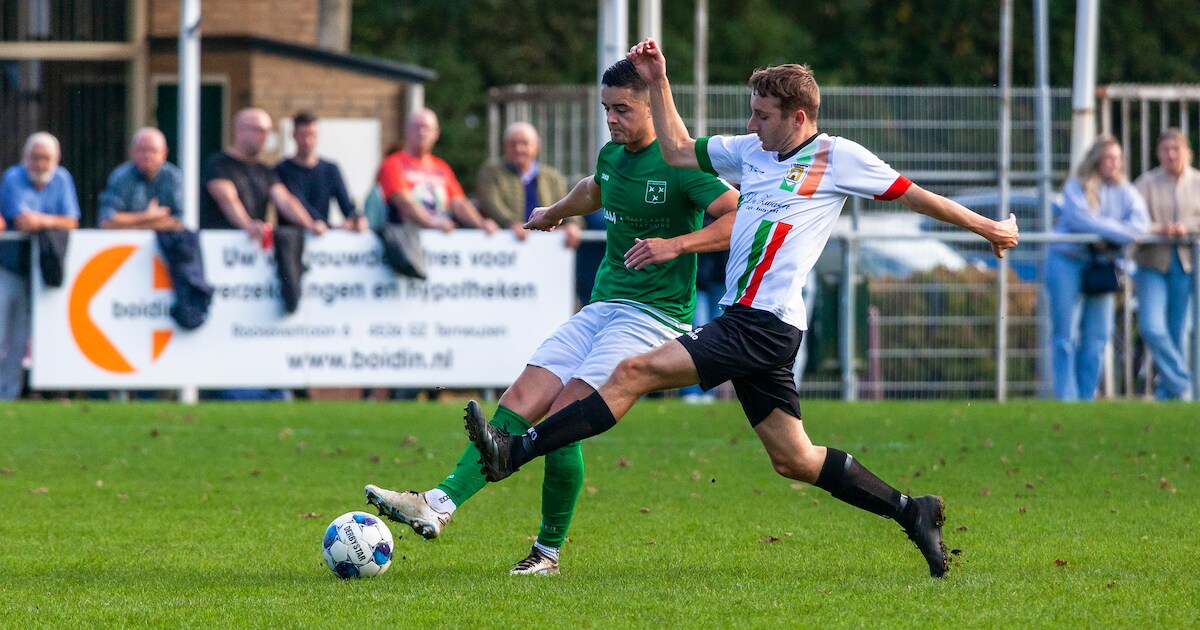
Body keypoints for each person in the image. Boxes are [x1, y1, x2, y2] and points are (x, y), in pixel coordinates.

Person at [464, 39, 1020, 579]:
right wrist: (658, 82)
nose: (751, 125)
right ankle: (911, 510)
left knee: (631, 371)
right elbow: (680, 149)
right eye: (750, 114)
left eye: (762, 115)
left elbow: (918, 196)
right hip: (754, 325)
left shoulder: (836, 157)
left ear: (798, 116)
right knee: (794, 459)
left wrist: (988, 227)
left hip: (762, 322)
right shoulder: (753, 151)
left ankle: (514, 451)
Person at [365, 58, 740, 576]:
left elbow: (738, 216)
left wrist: (676, 244)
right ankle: (437, 503)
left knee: (565, 419)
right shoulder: (613, 155)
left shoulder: (684, 166)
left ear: (650, 105)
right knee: (518, 402)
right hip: (602, 306)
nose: (612, 119)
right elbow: (594, 187)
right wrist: (554, 212)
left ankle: (547, 553)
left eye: (623, 109)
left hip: (653, 317)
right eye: (606, 108)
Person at [1046, 135, 1149, 401]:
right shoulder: (1076, 186)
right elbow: (1080, 220)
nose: (1114, 164)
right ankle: (1066, 399)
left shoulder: (1125, 191)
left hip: (1101, 266)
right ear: (1096, 159)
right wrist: (1118, 233)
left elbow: (1141, 224)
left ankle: (1086, 398)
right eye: (1108, 158)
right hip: (1066, 261)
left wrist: (1105, 231)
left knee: (1097, 336)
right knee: (1064, 336)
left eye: (1117, 158)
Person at [0, 132, 81, 399]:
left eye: (45, 158)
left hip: (43, 270)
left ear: (56, 160)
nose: (40, 164)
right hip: (11, 265)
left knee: (34, 333)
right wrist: (53, 220)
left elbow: (71, 220)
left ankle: (25, 393)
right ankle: (6, 391)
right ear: (25, 159)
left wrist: (43, 221)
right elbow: (22, 220)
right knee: (5, 331)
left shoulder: (62, 179)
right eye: (34, 157)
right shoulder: (13, 177)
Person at [1133, 128, 1200, 400]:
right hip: (1152, 263)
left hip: (1184, 264)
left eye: (1176, 148)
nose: (1171, 154)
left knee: (1177, 332)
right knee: (1151, 326)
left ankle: (1167, 392)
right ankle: (1182, 383)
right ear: (1158, 153)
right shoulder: (1146, 182)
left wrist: (1187, 227)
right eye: (1165, 149)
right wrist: (1158, 228)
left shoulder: (1197, 181)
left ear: (1186, 151)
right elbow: (1133, 220)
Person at [200, 107, 327, 240]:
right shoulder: (218, 165)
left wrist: (310, 225)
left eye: (267, 132)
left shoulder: (265, 171)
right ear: (239, 130)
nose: (264, 137)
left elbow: (285, 201)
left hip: (254, 247)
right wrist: (248, 226)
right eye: (259, 130)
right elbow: (228, 200)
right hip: (220, 245)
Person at [377, 108, 498, 234]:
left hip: (439, 236)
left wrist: (481, 224)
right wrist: (432, 223)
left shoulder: (441, 167)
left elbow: (458, 202)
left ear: (436, 133)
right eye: (417, 127)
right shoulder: (392, 164)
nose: (421, 132)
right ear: (407, 130)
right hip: (405, 237)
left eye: (427, 128)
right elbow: (405, 203)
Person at [476, 121, 580, 246]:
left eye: (524, 143)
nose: (518, 149)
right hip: (506, 243)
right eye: (513, 144)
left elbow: (569, 202)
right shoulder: (491, 172)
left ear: (536, 146)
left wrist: (573, 224)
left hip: (549, 245)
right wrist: (512, 223)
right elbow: (491, 202)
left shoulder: (552, 176)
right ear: (505, 146)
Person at [276, 111, 367, 232]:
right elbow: (295, 203)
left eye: (311, 135)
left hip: (322, 241)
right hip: (292, 238)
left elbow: (347, 206)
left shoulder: (331, 169)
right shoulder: (281, 170)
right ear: (293, 135)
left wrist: (357, 219)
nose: (307, 141)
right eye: (303, 135)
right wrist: (330, 227)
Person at [98, 127, 184, 231]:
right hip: (124, 243)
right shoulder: (121, 176)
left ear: (164, 153)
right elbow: (107, 221)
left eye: (153, 150)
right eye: (142, 150)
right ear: (132, 152)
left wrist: (129, 223)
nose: (147, 156)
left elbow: (180, 222)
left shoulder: (174, 177)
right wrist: (147, 217)